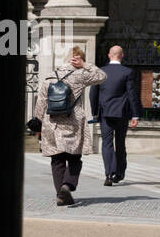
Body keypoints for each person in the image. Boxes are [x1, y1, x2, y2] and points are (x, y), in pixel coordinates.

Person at [29, 46, 106, 206]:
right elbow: (102, 76)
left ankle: (60, 195)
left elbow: (41, 102)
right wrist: (85, 65)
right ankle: (67, 185)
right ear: (78, 59)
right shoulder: (80, 75)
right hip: (73, 122)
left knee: (57, 160)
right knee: (74, 158)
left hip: (52, 122)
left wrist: (38, 122)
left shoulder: (50, 76)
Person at [88, 44, 142, 185]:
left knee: (106, 143)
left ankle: (108, 174)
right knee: (120, 143)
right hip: (122, 113)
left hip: (105, 112)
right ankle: (119, 173)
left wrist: (95, 112)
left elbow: (93, 93)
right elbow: (132, 94)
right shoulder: (127, 72)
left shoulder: (101, 71)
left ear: (109, 55)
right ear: (122, 55)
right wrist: (135, 115)